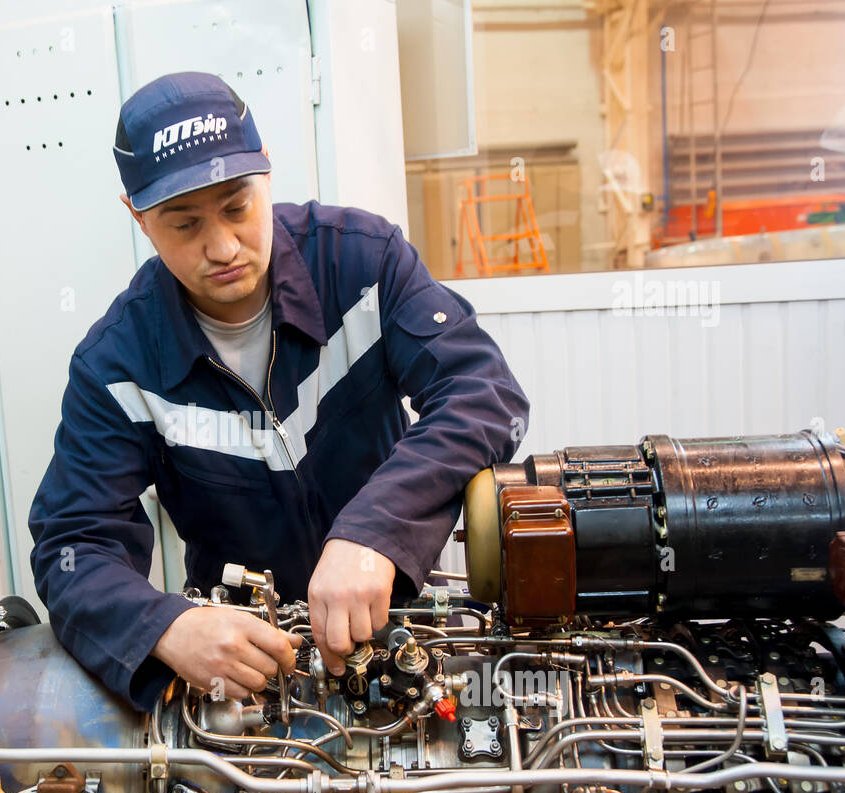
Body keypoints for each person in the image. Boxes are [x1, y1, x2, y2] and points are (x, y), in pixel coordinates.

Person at [29, 71, 529, 711]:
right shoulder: (118, 363)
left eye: (238, 206)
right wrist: (166, 628)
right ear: (138, 218)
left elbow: (483, 392)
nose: (223, 246)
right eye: (183, 225)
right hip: (246, 674)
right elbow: (72, 542)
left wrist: (374, 531)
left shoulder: (362, 263)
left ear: (266, 170)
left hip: (405, 624)